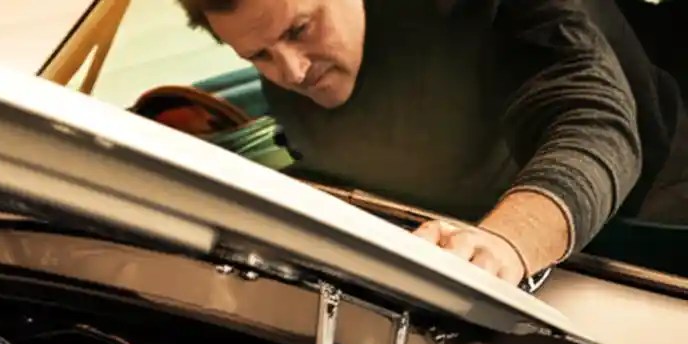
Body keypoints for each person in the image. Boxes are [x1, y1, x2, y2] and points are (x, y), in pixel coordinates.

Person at [176, 0, 688, 285]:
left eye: (302, 30)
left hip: (649, 216)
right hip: (473, 259)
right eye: (259, 56)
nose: (293, 70)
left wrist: (507, 243)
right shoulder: (290, 64)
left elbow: (589, 118)